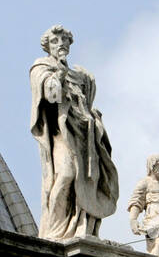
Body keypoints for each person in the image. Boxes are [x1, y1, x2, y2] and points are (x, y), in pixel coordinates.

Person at [29, 25, 119, 240]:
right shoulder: (41, 68)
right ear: (48, 46)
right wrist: (59, 73)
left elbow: (87, 102)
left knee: (88, 177)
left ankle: (82, 226)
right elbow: (50, 96)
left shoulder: (80, 76)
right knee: (67, 173)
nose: (60, 45)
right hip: (61, 133)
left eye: (64, 41)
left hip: (84, 136)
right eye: (55, 42)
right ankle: (55, 230)